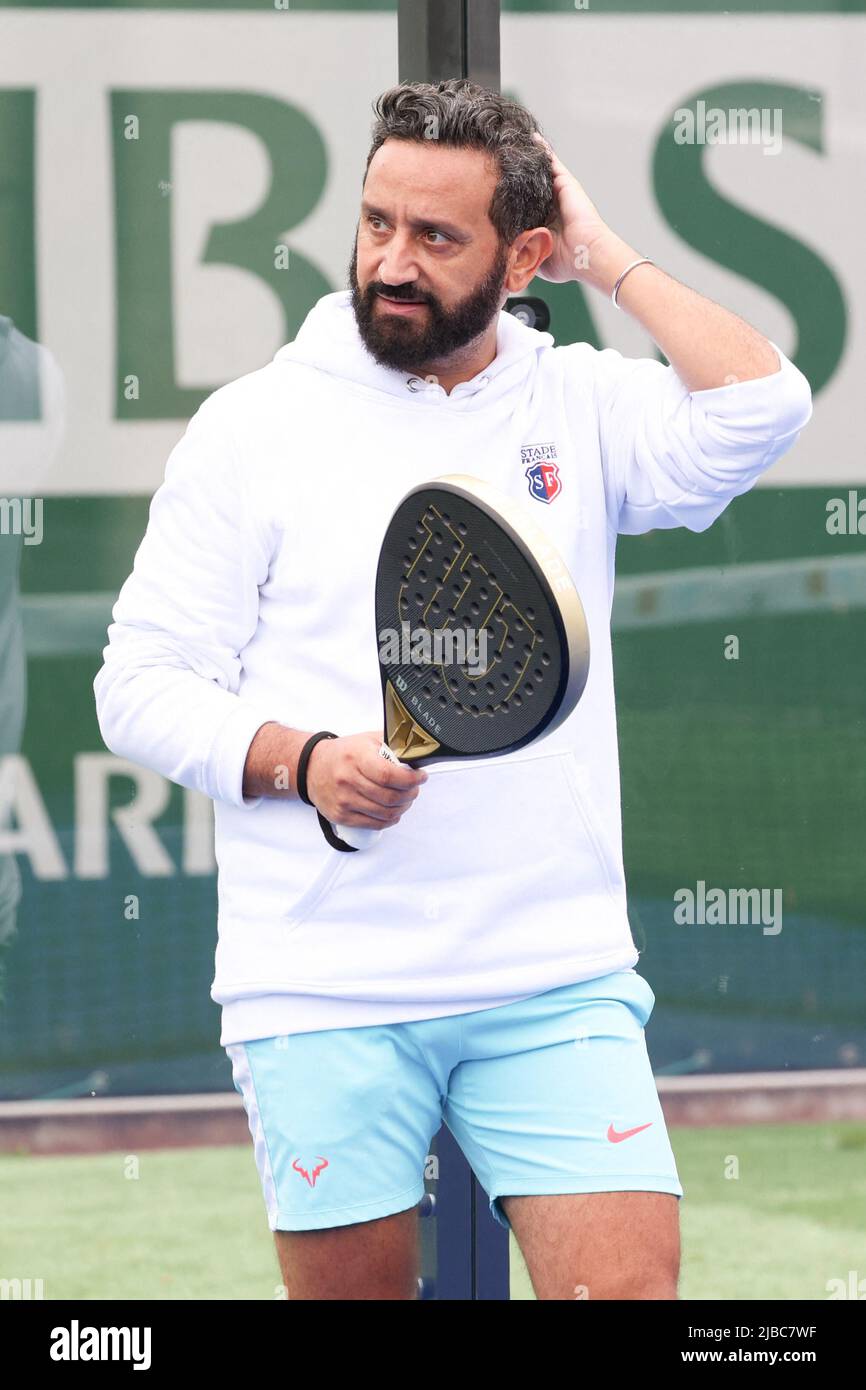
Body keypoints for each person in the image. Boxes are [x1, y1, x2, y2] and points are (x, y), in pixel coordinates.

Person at [94, 79, 812, 1300]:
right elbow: (139, 684)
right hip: (318, 986)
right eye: (377, 222)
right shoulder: (250, 427)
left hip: (554, 979)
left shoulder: (578, 400)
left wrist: (608, 259)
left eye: (436, 237)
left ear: (524, 252)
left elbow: (761, 403)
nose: (392, 260)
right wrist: (303, 760)